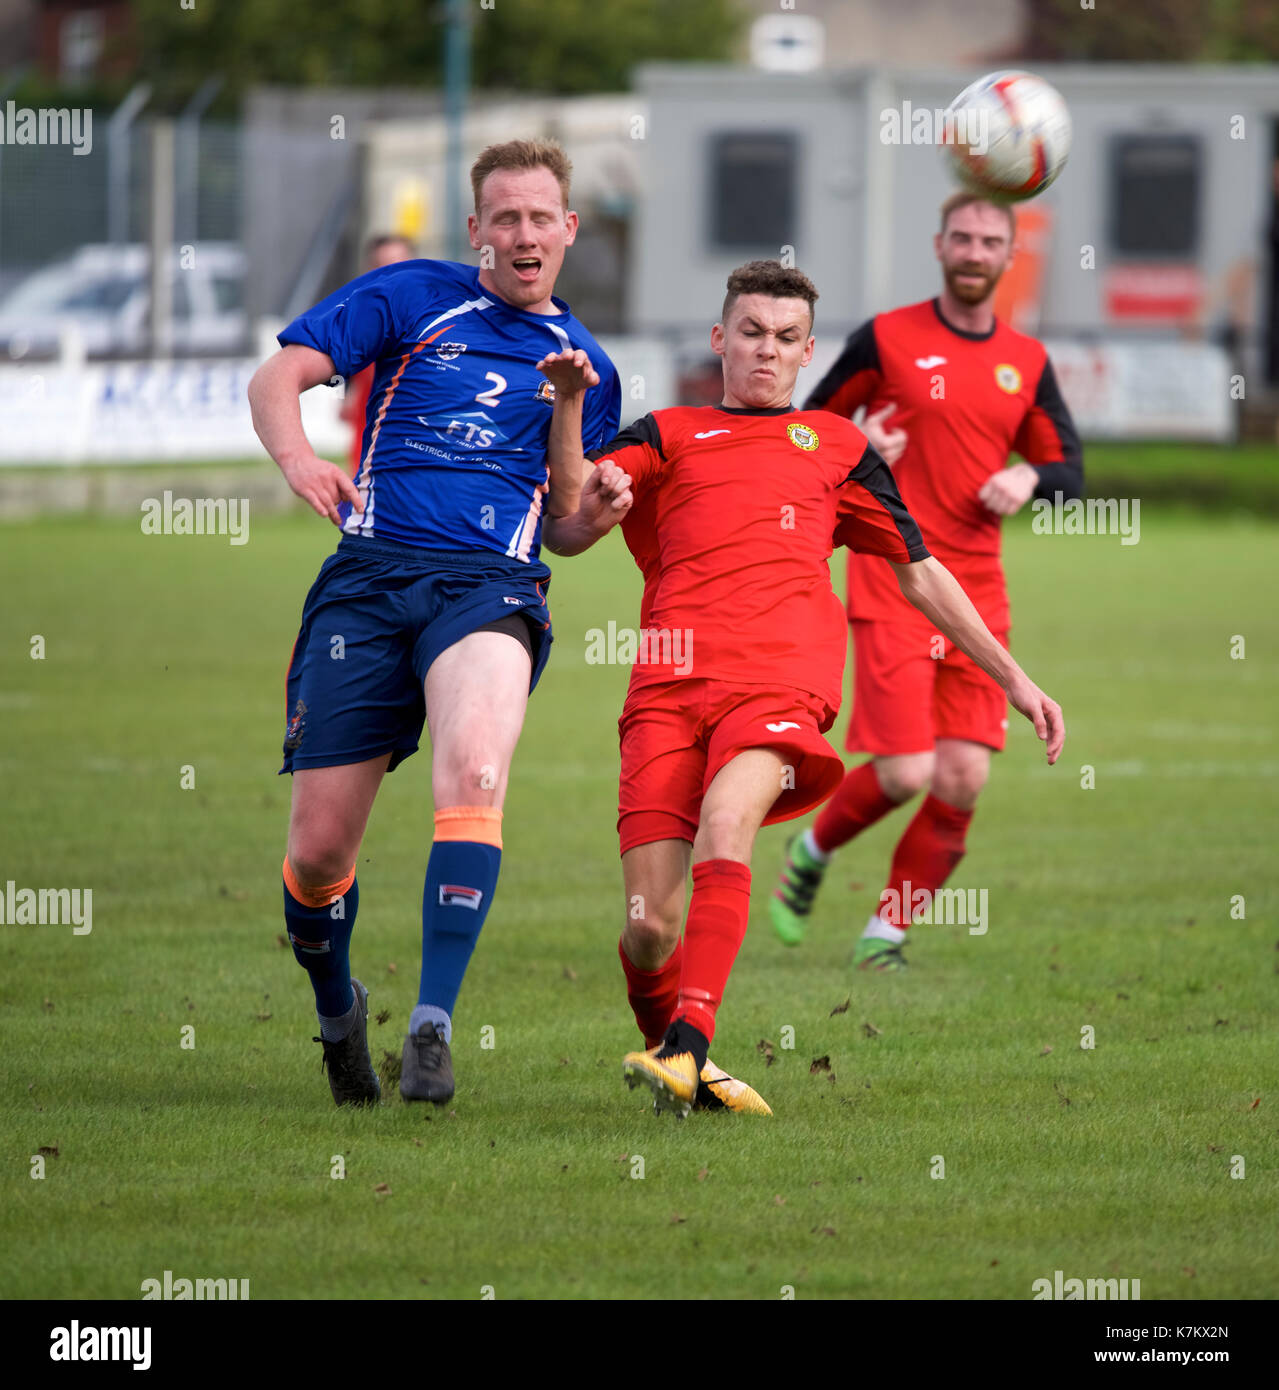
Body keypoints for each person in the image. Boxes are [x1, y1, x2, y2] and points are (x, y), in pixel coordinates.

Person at [538, 259, 1064, 1117]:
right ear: (719, 338)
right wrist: (568, 410)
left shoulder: (839, 449)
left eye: (785, 339)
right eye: (750, 333)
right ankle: (680, 1063)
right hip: (667, 690)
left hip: (781, 682)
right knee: (648, 927)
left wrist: (1015, 680)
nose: (765, 352)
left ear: (807, 351)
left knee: (727, 820)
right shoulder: (666, 433)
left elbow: (922, 574)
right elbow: (566, 529)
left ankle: (688, 1042)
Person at [247, 139, 626, 1108]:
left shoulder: (591, 367)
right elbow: (277, 378)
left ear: (569, 230)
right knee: (321, 849)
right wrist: (297, 462)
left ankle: (431, 1026)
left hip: (490, 588)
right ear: (477, 231)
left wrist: (596, 493)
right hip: (369, 581)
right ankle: (338, 1011)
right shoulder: (415, 294)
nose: (524, 233)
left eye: (541, 216)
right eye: (505, 217)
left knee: (477, 775)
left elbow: (570, 525)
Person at [769, 194, 1083, 970]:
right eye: (963, 238)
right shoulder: (887, 337)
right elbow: (800, 427)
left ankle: (885, 936)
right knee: (907, 771)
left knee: (964, 777)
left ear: (1010, 256)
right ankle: (812, 847)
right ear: (938, 244)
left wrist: (1031, 477)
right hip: (890, 578)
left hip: (975, 592)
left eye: (990, 241)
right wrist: (857, 438)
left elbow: (1070, 471)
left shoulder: (1028, 362)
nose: (975, 252)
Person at [338, 234, 417, 474]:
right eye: (383, 267)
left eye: (401, 266)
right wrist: (347, 393)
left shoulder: (434, 325)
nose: (393, 276)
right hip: (369, 456)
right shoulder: (355, 322)